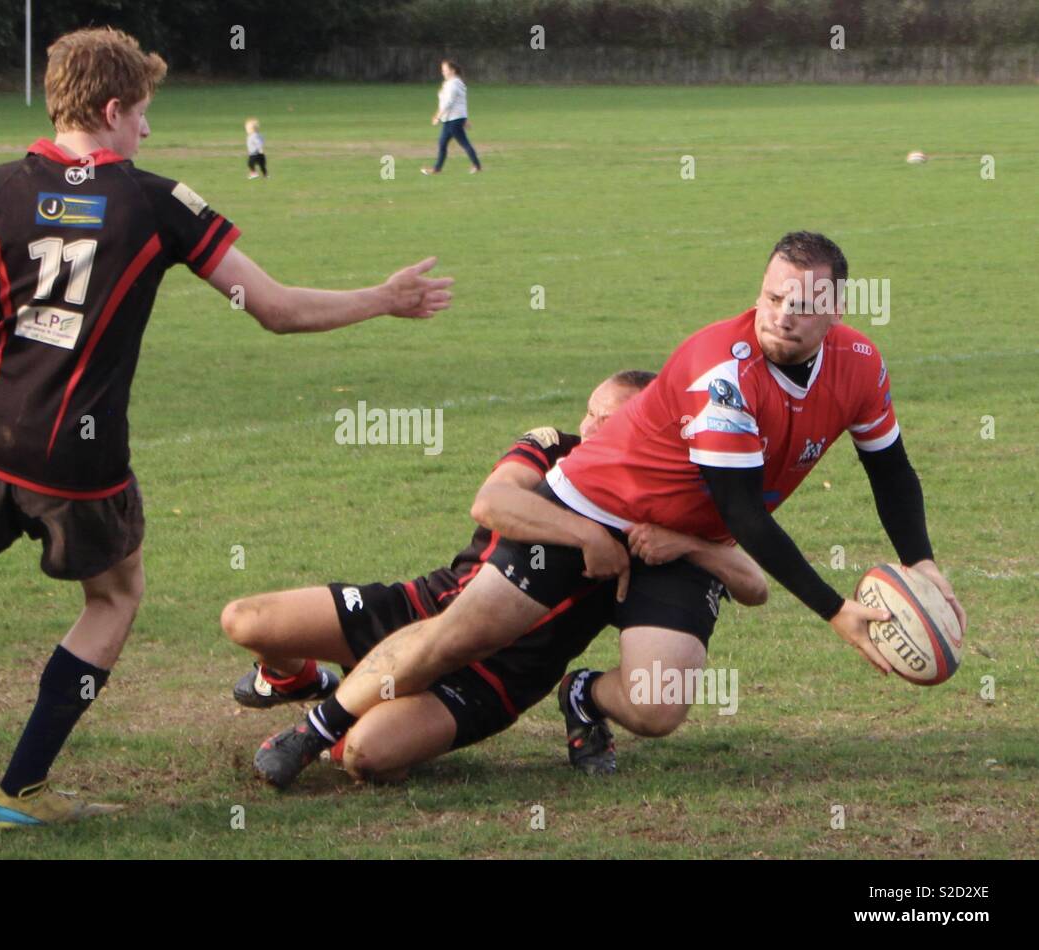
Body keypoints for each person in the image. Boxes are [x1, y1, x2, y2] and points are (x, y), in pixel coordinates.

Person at [0, 27, 453, 830]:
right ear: (113, 107)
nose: (148, 133)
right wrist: (383, 297)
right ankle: (20, 792)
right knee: (115, 597)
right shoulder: (158, 203)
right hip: (74, 460)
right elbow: (276, 309)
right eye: (143, 114)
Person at [254, 231, 967, 788]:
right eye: (771, 296)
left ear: (836, 310)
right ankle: (315, 729)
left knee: (659, 707)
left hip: (686, 535)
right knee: (455, 638)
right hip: (587, 507)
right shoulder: (723, 368)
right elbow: (746, 514)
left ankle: (585, 697)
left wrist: (923, 562)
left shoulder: (861, 365)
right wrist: (838, 611)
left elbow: (891, 471)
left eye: (803, 304)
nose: (781, 314)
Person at [233, 371, 766, 785]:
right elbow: (492, 502)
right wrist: (586, 535)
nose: (593, 431)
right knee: (245, 621)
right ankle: (302, 681)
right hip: (428, 605)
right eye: (591, 414)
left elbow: (753, 584)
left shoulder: (665, 505)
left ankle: (576, 694)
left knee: (366, 757)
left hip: (499, 676)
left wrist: (688, 546)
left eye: (612, 422)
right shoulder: (555, 447)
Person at [421, 60, 481, 176]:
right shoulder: (450, 83)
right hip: (451, 118)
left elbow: (448, 103)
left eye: (445, 70)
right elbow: (461, 102)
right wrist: (465, 118)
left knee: (463, 142)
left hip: (454, 119)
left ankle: (477, 166)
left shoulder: (453, 84)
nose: (443, 72)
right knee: (442, 143)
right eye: (442, 70)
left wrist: (437, 116)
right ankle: (437, 169)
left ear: (452, 71)